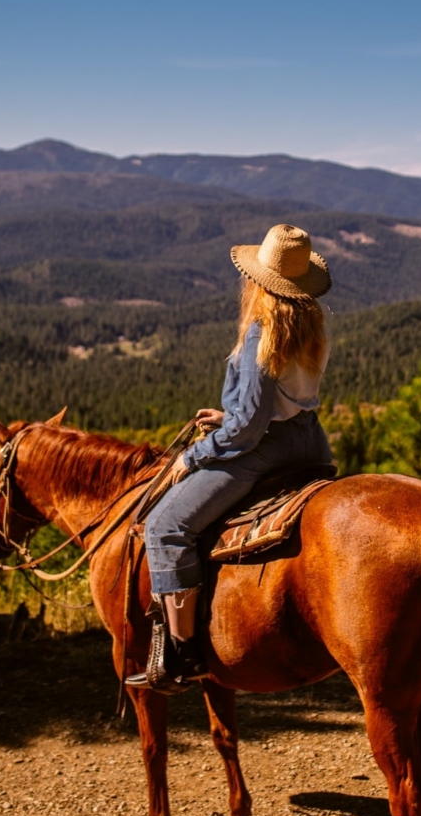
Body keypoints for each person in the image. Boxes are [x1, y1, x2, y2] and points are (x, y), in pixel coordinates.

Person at [129, 224, 334, 693]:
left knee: (166, 527)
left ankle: (182, 654)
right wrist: (234, 413)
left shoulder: (264, 331)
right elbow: (286, 399)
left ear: (259, 280)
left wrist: (195, 455)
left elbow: (249, 430)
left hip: (265, 450)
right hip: (310, 444)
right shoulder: (313, 325)